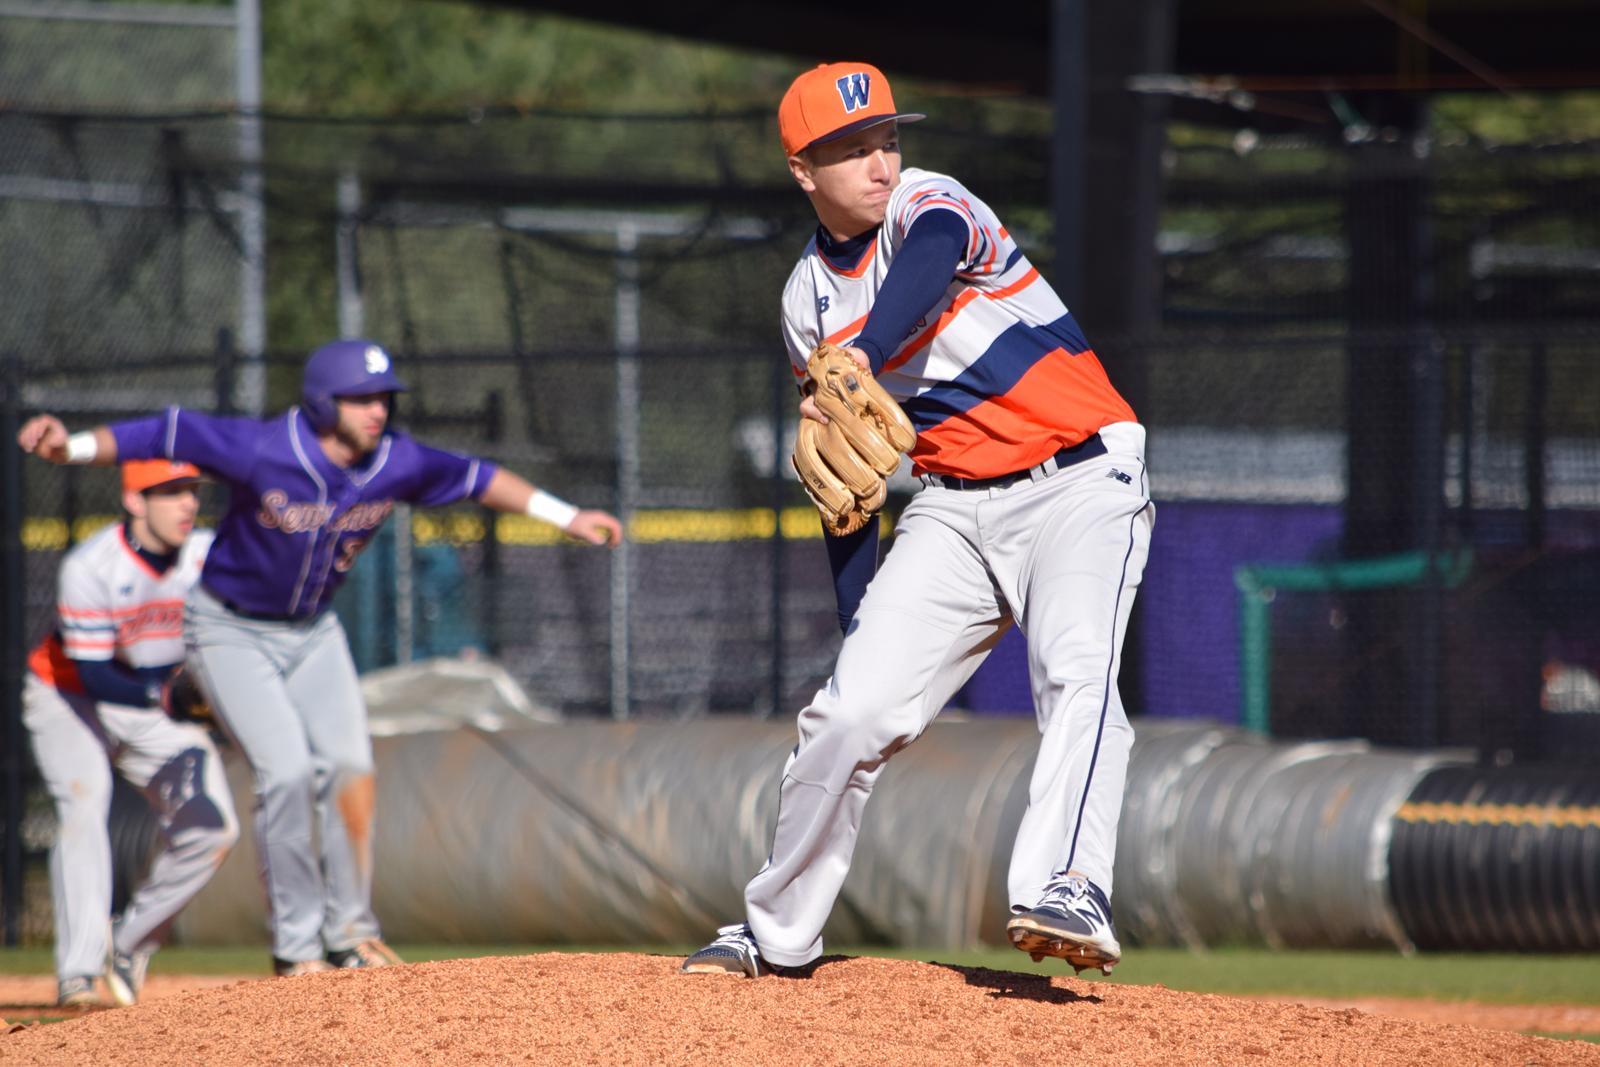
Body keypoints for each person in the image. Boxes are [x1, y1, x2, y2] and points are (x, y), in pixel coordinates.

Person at [680, 62, 1154, 978]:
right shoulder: (803, 302)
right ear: (801, 172)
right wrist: (862, 618)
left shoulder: (931, 205)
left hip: (1080, 478)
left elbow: (928, 261)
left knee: (1077, 671)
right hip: (950, 508)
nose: (880, 162)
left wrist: (855, 352)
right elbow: (844, 480)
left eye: (887, 138)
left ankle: (1067, 884)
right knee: (849, 711)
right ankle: (778, 932)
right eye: (851, 149)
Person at [18, 338, 623, 978]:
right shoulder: (266, 449)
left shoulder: (396, 462)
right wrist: (73, 448)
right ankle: (298, 948)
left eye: (384, 398)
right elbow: (172, 431)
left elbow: (478, 477)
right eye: (360, 398)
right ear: (321, 401)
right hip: (229, 627)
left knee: (349, 765)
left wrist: (566, 515)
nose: (377, 411)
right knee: (286, 772)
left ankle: (350, 933)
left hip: (312, 631)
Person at [22, 459, 239, 1007]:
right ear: (135, 501)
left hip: (151, 701)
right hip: (67, 694)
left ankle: (128, 942)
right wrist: (173, 699)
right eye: (169, 491)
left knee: (213, 828)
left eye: (191, 490)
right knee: (84, 804)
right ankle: (80, 972)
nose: (188, 503)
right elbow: (95, 673)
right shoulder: (90, 566)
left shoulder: (206, 555)